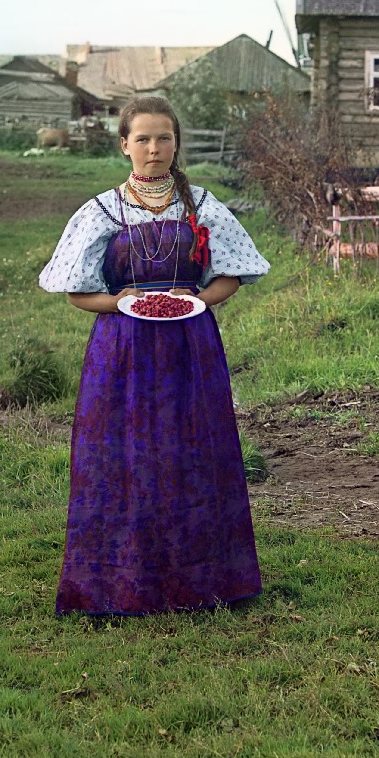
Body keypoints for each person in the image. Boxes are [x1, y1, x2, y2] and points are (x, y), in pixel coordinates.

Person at [38, 96, 270, 616]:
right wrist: (120, 301)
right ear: (124, 146)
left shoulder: (203, 205)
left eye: (164, 138)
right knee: (125, 457)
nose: (154, 148)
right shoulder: (100, 210)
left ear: (176, 144)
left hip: (191, 345)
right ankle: (118, 584)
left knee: (193, 451)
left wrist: (196, 301)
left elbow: (233, 274)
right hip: (122, 349)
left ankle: (207, 582)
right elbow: (78, 293)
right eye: (142, 138)